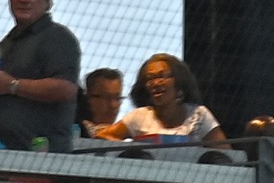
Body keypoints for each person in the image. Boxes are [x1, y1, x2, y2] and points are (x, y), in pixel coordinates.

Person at [0, 0, 80, 153]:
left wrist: (12, 85)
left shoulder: (57, 37)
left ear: (48, 2)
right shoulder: (6, 43)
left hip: (39, 158)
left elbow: (65, 89)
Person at [94, 54, 226, 146]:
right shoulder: (139, 116)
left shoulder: (200, 115)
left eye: (162, 76)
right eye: (150, 78)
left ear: (179, 81)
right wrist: (133, 149)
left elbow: (224, 154)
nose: (156, 83)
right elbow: (101, 136)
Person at [79, 68, 124, 138]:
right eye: (106, 97)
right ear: (88, 98)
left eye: (117, 98)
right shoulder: (74, 131)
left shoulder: (121, 134)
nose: (113, 105)